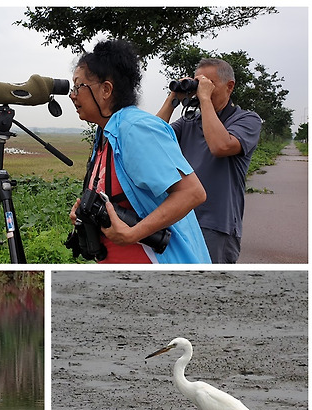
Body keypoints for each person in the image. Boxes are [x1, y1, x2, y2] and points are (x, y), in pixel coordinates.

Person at [68, 39, 211, 264]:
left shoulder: (134, 128)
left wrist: (133, 234)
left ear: (106, 90)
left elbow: (192, 193)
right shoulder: (106, 133)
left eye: (78, 87)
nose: (72, 95)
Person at [157, 58, 262, 263]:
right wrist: (173, 98)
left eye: (208, 84)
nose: (201, 90)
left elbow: (220, 146)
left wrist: (204, 100)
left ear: (229, 86)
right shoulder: (190, 120)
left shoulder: (247, 120)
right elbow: (152, 138)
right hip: (180, 218)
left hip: (216, 224)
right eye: (198, 84)